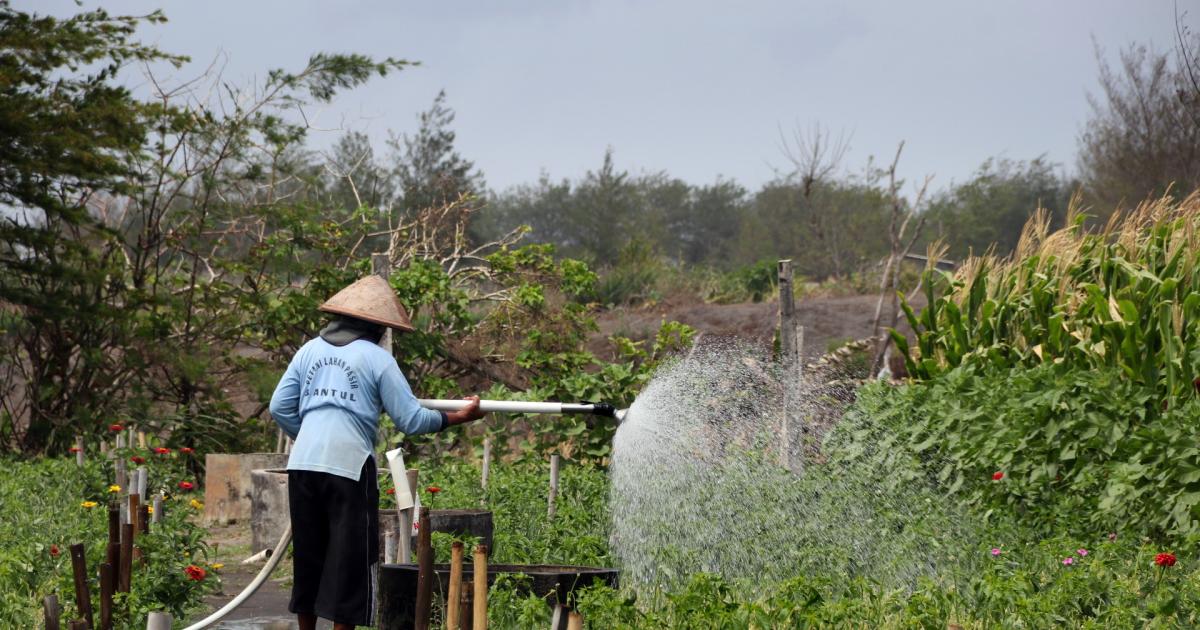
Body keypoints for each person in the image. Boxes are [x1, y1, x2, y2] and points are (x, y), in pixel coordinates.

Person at [269, 275, 485, 630]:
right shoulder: (377, 359)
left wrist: (308, 436)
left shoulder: (308, 351)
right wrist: (460, 416)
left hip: (303, 464)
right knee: (350, 561)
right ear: (377, 328)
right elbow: (412, 419)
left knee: (309, 557)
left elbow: (279, 407)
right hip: (349, 466)